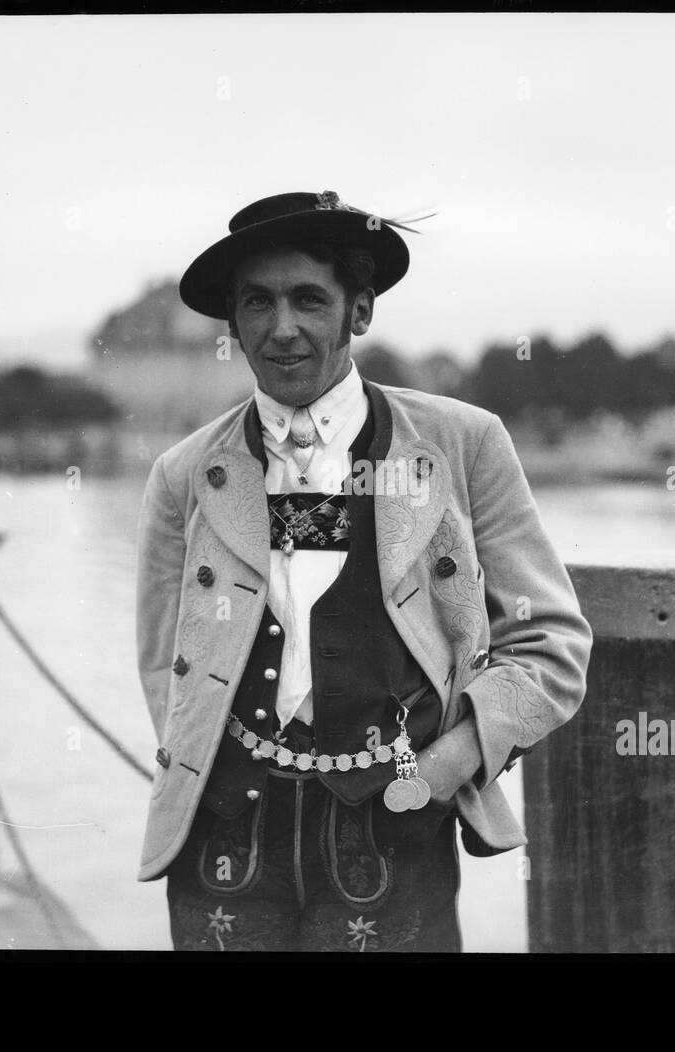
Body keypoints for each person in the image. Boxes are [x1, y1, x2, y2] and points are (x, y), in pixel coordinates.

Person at [135, 190, 592, 951]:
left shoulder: (463, 444)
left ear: (360, 311)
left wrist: (452, 762)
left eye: (309, 300)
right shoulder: (183, 476)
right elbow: (161, 660)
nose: (282, 328)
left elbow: (551, 641)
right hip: (224, 844)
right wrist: (203, 766)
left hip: (397, 834)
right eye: (258, 303)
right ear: (234, 323)